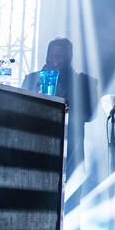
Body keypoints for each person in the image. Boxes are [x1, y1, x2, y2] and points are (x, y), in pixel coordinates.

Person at [21, 37, 97, 213]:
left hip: (70, 155)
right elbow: (22, 111)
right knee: (33, 207)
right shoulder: (32, 79)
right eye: (53, 53)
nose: (56, 57)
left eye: (61, 53)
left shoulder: (83, 82)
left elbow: (90, 114)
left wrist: (65, 98)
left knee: (68, 210)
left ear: (70, 56)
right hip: (37, 152)